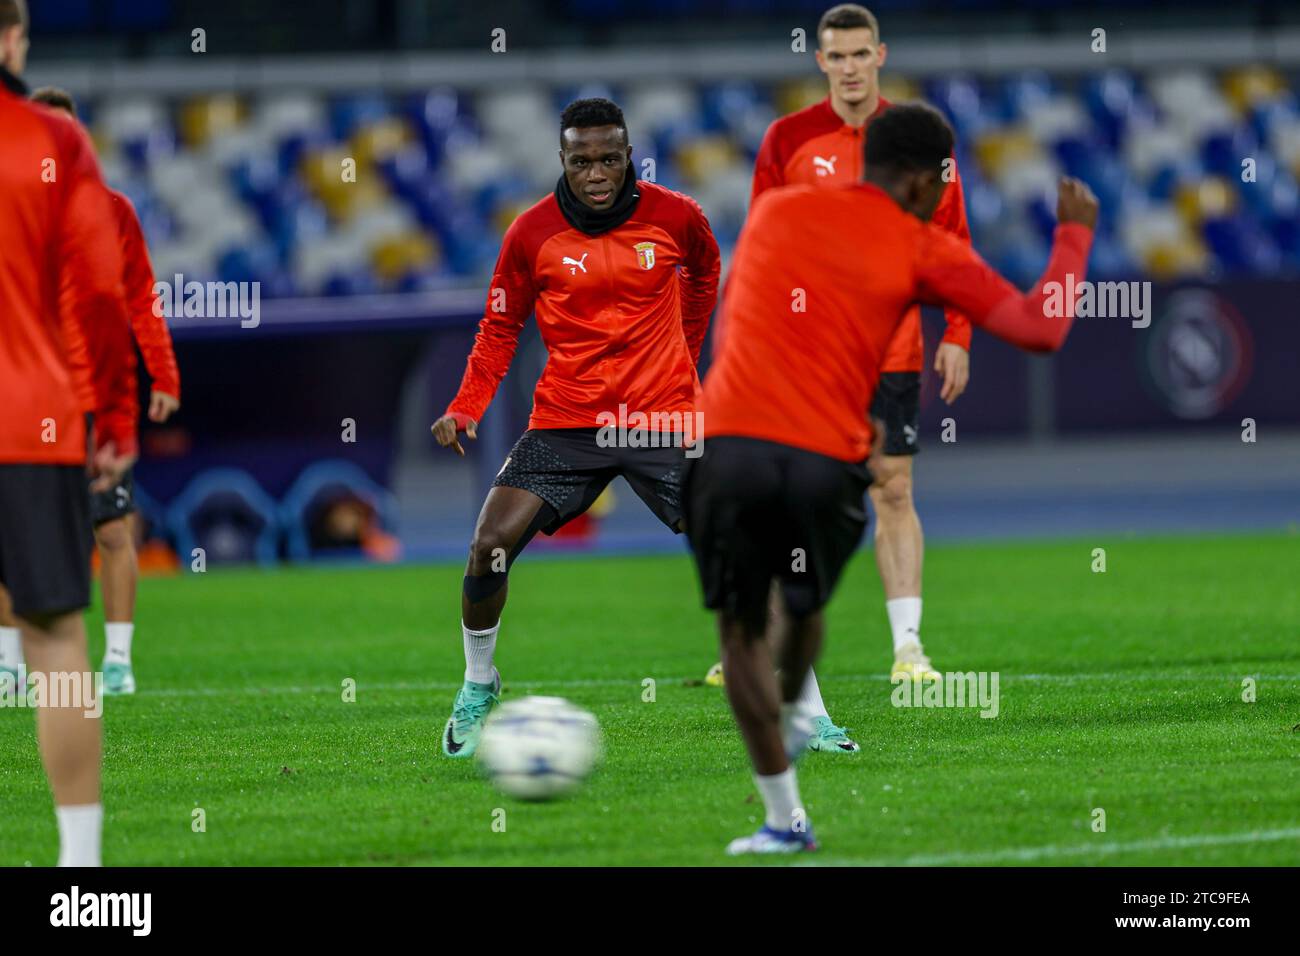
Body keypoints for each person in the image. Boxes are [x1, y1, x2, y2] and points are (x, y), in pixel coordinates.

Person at [686, 103, 1098, 853]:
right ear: (922, 179)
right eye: (945, 177)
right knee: (803, 606)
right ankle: (798, 701)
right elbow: (1044, 328)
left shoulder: (775, 210)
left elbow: (736, 313)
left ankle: (783, 814)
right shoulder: (921, 246)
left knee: (740, 631)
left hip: (726, 444)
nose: (948, 190)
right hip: (824, 459)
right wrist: (1073, 238)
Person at [430, 98, 720, 758]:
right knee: (488, 545)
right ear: (562, 159)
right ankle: (479, 685)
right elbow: (499, 326)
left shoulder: (678, 216)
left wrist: (686, 346)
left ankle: (800, 703)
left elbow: (705, 273)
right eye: (581, 160)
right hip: (567, 421)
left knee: (740, 539)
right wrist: (466, 406)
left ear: (628, 156)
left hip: (662, 417)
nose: (596, 172)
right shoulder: (530, 234)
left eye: (609, 159)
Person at [0, 0, 138, 866]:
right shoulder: (53, 143)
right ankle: (78, 873)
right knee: (55, 644)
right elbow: (97, 295)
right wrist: (111, 417)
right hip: (30, 419)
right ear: (14, 37)